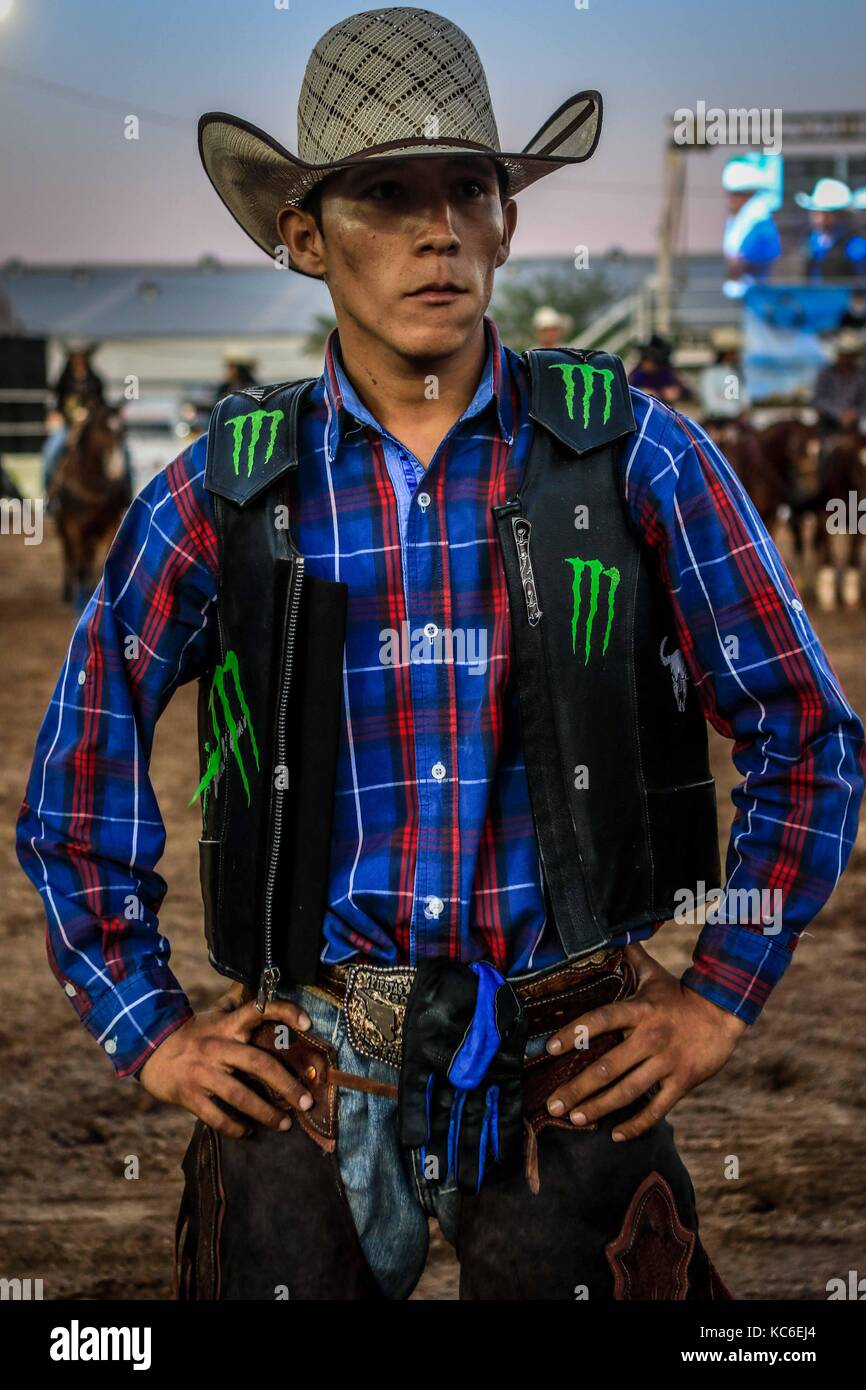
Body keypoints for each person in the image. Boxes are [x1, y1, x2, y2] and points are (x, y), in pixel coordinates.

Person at [17, 6, 864, 1302]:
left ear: (507, 221)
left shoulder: (632, 453)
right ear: (303, 237)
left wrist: (715, 999)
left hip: (569, 1050)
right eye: (384, 195)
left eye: (469, 189)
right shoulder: (221, 492)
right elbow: (79, 775)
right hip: (305, 1065)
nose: (439, 229)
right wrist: (153, 1029)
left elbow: (804, 730)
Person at [721, 158, 781, 295]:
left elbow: (738, 264)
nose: (730, 201)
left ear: (748, 195)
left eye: (735, 195)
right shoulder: (740, 221)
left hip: (758, 293)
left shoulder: (760, 224)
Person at [797, 178, 866, 282]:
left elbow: (859, 282)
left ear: (840, 215)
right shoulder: (813, 239)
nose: (818, 219)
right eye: (815, 213)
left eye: (825, 214)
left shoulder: (855, 245)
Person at [627, 333, 694, 406]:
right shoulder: (637, 373)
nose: (646, 363)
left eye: (649, 359)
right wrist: (642, 392)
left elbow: (687, 392)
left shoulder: (667, 372)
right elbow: (627, 389)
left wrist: (677, 392)